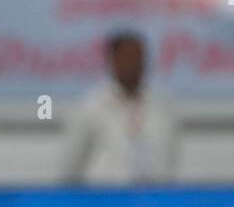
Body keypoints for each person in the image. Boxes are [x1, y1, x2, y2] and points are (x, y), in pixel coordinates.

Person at [60, 32, 179, 185]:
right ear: (113, 60)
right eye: (128, 57)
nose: (135, 64)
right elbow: (70, 165)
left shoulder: (163, 106)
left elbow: (170, 158)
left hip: (153, 198)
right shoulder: (92, 107)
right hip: (105, 199)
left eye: (139, 57)